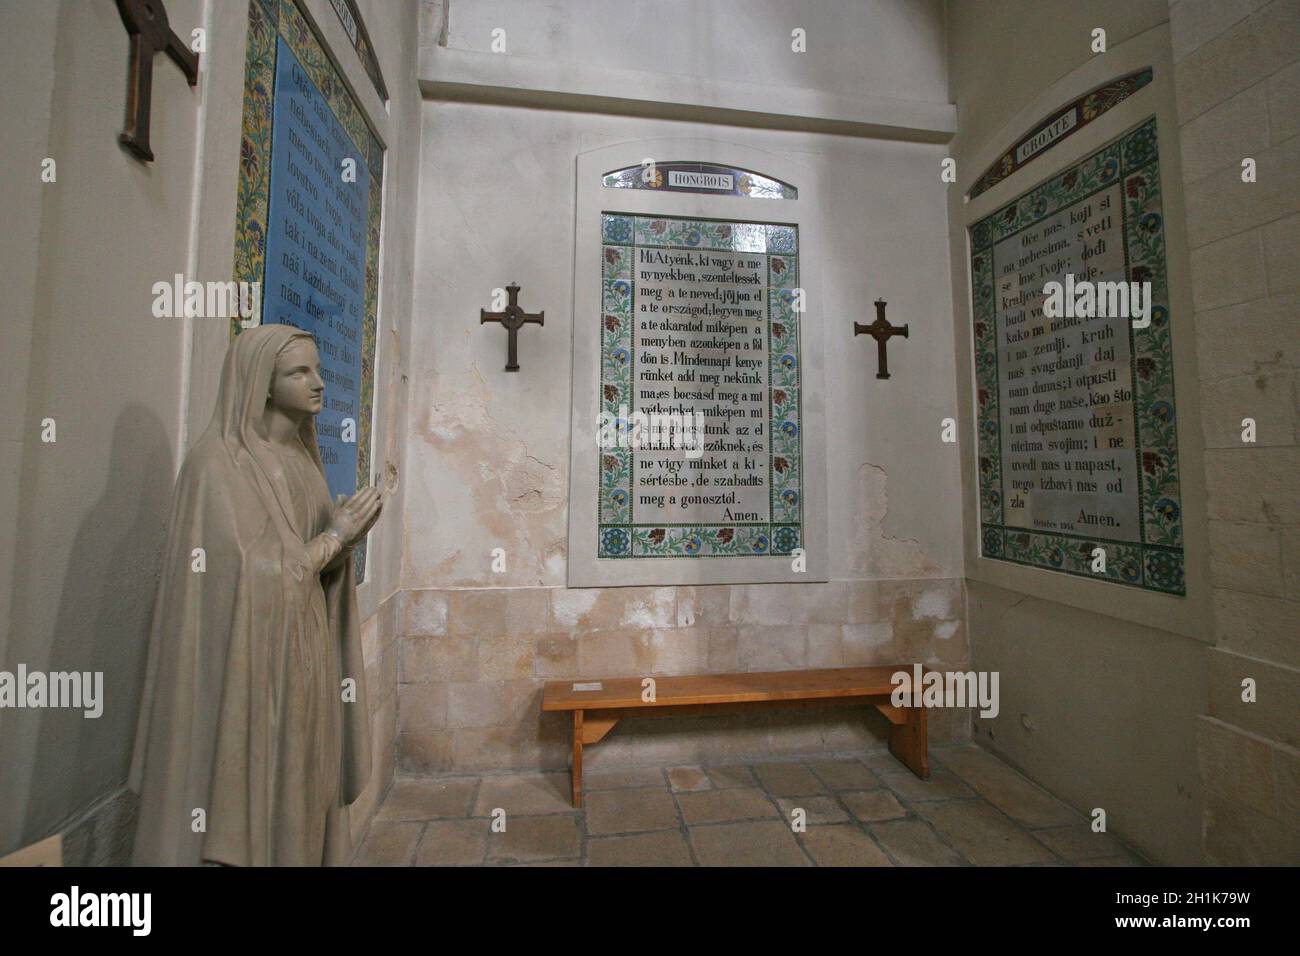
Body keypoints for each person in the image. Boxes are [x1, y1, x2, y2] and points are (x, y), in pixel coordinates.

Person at [129, 323, 381, 865]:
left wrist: (340, 538)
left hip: (305, 659)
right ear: (260, 382)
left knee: (306, 790)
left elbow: (307, 570)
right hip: (250, 676)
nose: (318, 383)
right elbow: (258, 575)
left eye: (317, 369)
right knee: (267, 797)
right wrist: (338, 535)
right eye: (299, 372)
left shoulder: (304, 464)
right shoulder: (216, 466)